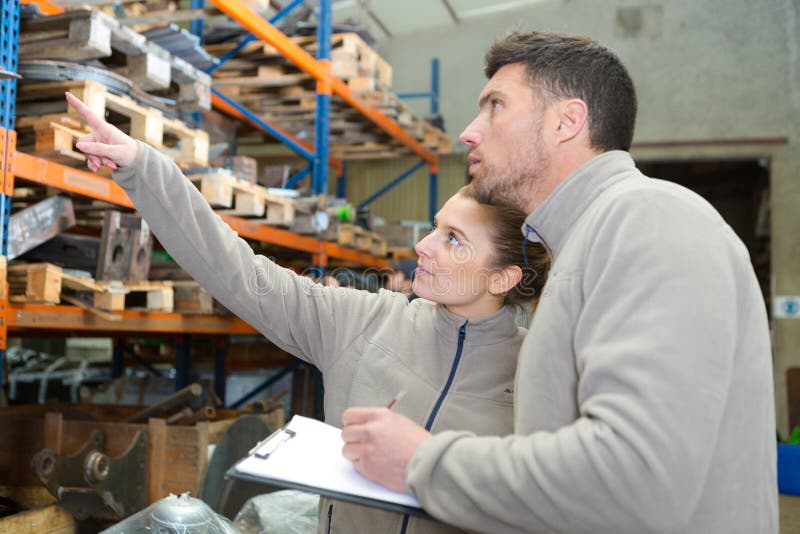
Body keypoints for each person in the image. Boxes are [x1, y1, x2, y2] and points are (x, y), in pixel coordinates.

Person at [340, 31, 778, 533]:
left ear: (567, 122)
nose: (469, 132)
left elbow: (634, 484)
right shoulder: (586, 241)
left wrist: (420, 461)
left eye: (495, 107)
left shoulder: (648, 218)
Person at [64, 91, 549, 534]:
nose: (422, 246)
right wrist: (144, 169)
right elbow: (237, 271)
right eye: (434, 228)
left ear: (502, 278)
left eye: (453, 240)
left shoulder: (540, 377)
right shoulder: (362, 323)